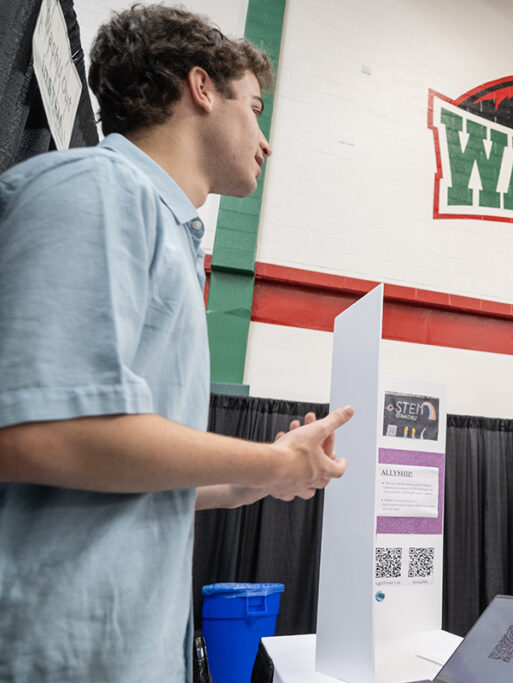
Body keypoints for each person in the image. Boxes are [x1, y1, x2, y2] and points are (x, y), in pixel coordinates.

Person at [0, 6, 353, 681]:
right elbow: (37, 434)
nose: (265, 139)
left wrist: (248, 478)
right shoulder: (96, 190)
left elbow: (112, 477)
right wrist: (272, 463)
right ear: (200, 87)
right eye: (253, 107)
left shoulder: (167, 239)